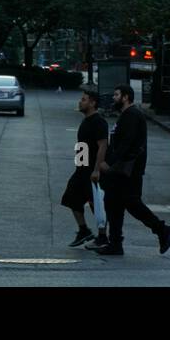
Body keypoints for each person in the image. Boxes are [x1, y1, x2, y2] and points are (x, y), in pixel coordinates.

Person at [87, 84, 170, 257]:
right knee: (113, 204)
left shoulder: (132, 115)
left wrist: (108, 163)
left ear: (126, 97)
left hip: (129, 171)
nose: (114, 98)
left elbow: (126, 144)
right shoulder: (126, 115)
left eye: (117, 95)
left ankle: (162, 229)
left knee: (132, 204)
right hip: (121, 171)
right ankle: (115, 243)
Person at [61, 85, 109, 247]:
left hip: (91, 169)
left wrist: (96, 169)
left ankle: (103, 236)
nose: (80, 102)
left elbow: (103, 145)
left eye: (84, 100)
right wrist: (79, 164)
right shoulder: (86, 121)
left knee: (96, 203)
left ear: (93, 103)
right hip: (81, 168)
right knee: (71, 197)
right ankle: (84, 230)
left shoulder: (98, 122)